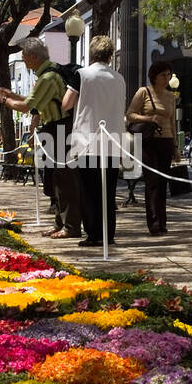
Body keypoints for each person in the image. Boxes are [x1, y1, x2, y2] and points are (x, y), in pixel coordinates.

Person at [0, 36, 82, 238]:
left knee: (66, 179)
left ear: (33, 57)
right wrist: (11, 95)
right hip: (56, 128)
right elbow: (34, 101)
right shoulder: (49, 75)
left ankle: (72, 226)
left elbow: (27, 107)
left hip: (61, 129)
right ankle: (61, 224)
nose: (23, 60)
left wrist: (3, 99)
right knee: (55, 179)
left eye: (24, 57)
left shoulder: (48, 78)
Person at [65, 35, 127, 248]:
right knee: (108, 190)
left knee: (89, 190)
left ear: (92, 53)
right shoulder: (119, 78)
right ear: (110, 55)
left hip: (87, 140)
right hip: (112, 141)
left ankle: (93, 234)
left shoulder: (81, 75)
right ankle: (109, 234)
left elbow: (66, 103)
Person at [127, 60, 178, 235]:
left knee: (163, 182)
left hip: (166, 141)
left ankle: (163, 223)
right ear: (154, 76)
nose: (167, 78)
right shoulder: (144, 92)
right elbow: (130, 115)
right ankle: (154, 223)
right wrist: (148, 119)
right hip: (149, 141)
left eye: (168, 74)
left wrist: (175, 147)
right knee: (152, 182)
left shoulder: (171, 96)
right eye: (163, 74)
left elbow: (172, 122)